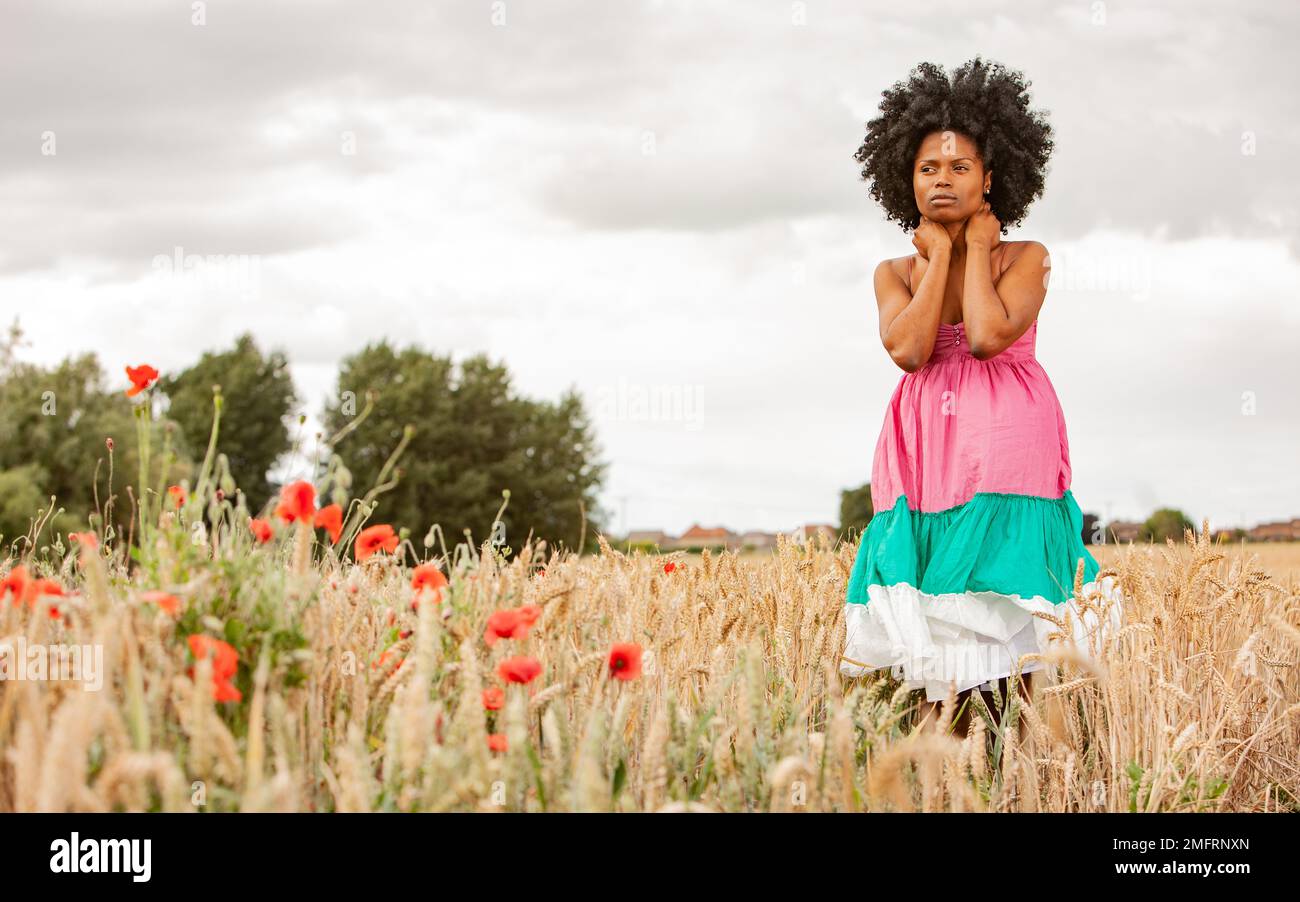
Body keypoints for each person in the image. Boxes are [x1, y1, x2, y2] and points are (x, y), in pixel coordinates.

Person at [841, 57, 1123, 738]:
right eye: (928, 169)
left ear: (992, 177)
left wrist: (975, 246)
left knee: (1010, 617)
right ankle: (943, 771)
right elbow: (909, 351)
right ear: (904, 182)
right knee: (933, 635)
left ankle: (1025, 768)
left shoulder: (1026, 257)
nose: (942, 179)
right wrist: (940, 257)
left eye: (959, 167)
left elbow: (989, 335)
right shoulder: (896, 270)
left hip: (1007, 452)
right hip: (924, 453)